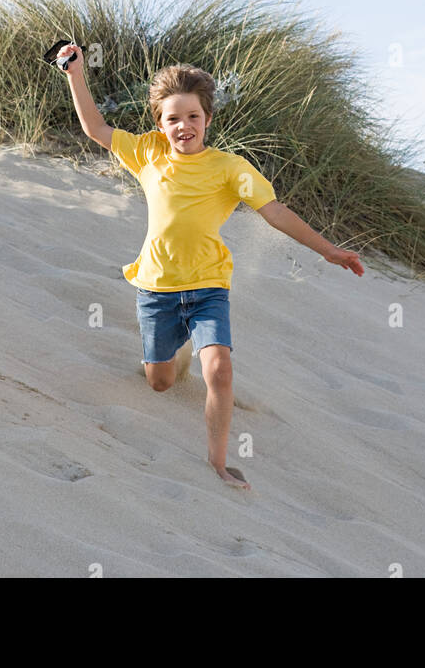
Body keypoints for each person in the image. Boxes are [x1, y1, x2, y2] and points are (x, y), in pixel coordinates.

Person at [60, 50, 363, 490]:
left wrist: (328, 250)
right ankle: (177, 352)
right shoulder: (147, 152)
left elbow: (274, 212)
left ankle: (218, 464)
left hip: (208, 287)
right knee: (161, 383)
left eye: (193, 116)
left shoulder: (229, 168)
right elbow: (95, 127)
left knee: (219, 370)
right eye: (173, 119)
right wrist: (76, 74)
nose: (183, 126)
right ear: (160, 124)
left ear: (207, 118)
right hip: (156, 289)